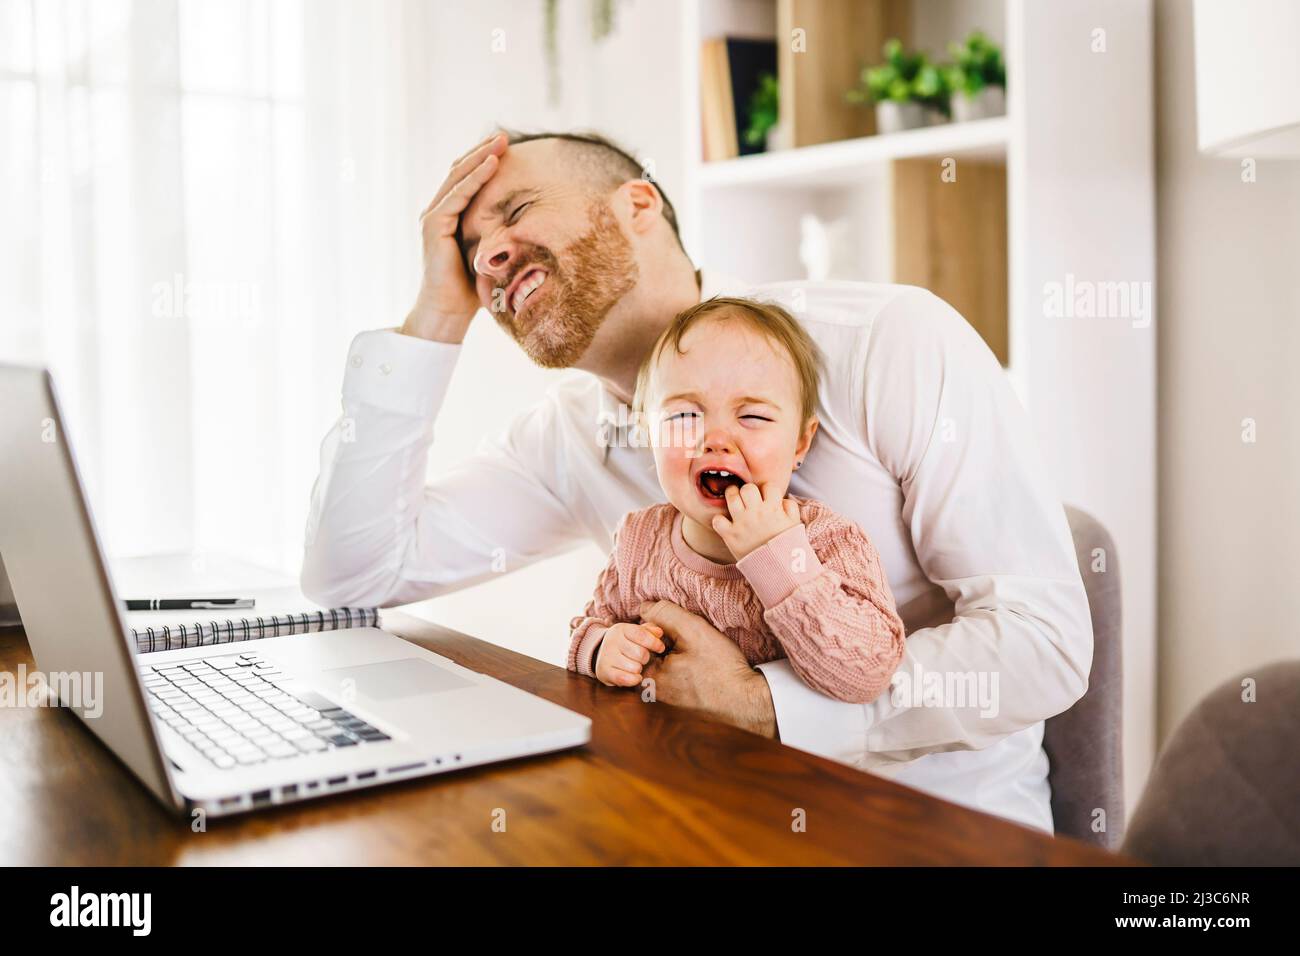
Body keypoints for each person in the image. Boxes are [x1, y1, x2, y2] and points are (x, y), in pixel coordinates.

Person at [301, 129, 1093, 833]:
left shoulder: (887, 344)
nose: (489, 257)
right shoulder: (565, 438)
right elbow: (354, 573)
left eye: (517, 211)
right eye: (471, 253)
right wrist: (437, 314)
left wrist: (766, 707)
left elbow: (1044, 645)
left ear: (638, 204)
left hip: (934, 837)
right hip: (704, 822)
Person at [572, 295, 907, 706]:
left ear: (801, 442)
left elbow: (866, 674)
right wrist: (602, 648)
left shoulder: (826, 540)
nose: (715, 440)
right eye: (683, 416)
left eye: (752, 417)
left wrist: (778, 559)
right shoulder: (638, 540)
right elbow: (586, 632)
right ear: (649, 435)